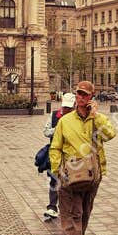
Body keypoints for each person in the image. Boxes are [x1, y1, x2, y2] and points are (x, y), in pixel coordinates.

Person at [50, 80, 118, 235]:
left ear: (91, 97)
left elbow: (110, 134)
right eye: (78, 93)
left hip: (92, 175)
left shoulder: (97, 119)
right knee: (73, 214)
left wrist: (95, 116)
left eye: (84, 94)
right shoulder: (65, 121)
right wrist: (58, 170)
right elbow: (55, 147)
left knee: (85, 213)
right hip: (69, 175)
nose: (80, 97)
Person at [39, 92, 75, 221]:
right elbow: (46, 131)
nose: (66, 110)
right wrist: (59, 129)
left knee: (70, 181)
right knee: (54, 179)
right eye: (65, 107)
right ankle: (52, 207)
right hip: (56, 154)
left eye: (69, 108)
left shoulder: (78, 118)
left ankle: (68, 208)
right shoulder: (54, 115)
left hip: (72, 155)